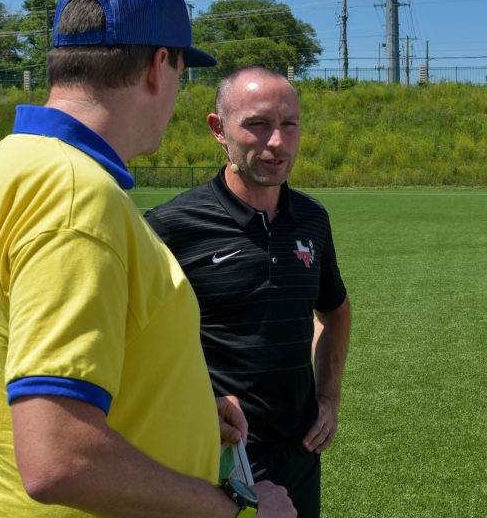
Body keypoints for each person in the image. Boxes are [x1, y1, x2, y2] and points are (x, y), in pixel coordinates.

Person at [0, 0, 294, 518]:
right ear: (157, 65)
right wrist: (229, 509)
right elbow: (60, 459)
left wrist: (187, 407)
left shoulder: (10, 164)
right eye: (181, 72)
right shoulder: (76, 197)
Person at [145, 65, 352, 518]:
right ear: (219, 130)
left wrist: (328, 399)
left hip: (300, 450)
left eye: (289, 125)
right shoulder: (170, 228)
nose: (276, 142)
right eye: (257, 125)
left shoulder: (312, 220)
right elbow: (135, 349)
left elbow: (334, 310)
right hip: (214, 452)